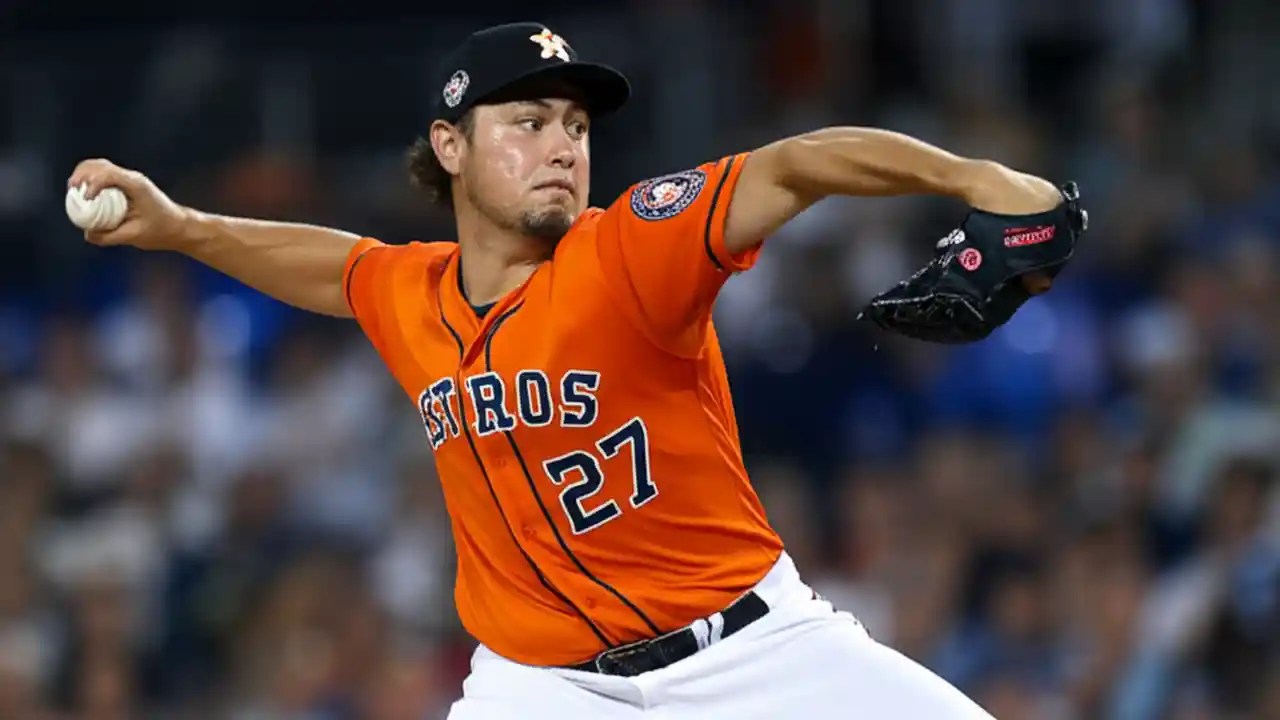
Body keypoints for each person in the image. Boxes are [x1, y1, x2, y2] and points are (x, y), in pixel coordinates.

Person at [68, 20, 1065, 719]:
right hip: (543, 689)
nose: (562, 147)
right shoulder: (412, 293)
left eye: (577, 128)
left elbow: (794, 164)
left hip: (752, 654)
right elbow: (331, 266)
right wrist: (182, 225)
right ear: (450, 146)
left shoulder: (629, 250)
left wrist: (977, 178)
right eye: (529, 122)